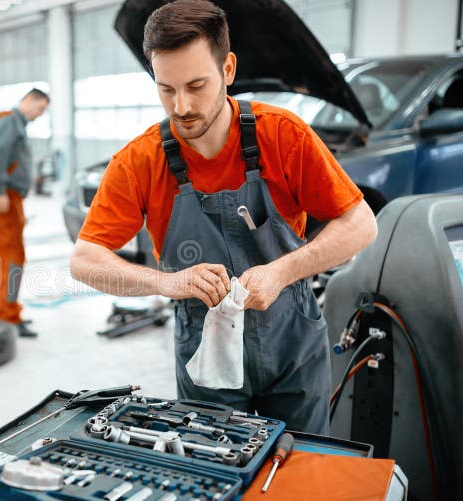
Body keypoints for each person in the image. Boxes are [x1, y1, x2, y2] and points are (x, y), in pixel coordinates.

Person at [69, 0, 377, 434]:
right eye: (166, 89)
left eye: (196, 86)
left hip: (292, 343)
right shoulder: (139, 161)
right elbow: (84, 260)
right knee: (216, 470)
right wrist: (168, 283)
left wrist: (283, 271)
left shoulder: (282, 136)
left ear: (228, 70)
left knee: (301, 468)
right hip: (204, 354)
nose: (181, 107)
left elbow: (362, 222)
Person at [0, 88, 50, 338]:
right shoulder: (9, 122)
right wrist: (0, 190)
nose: (40, 114)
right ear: (29, 100)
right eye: (40, 108)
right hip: (3, 196)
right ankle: (8, 317)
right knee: (10, 257)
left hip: (10, 197)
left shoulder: (16, 124)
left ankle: (9, 311)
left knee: (13, 255)